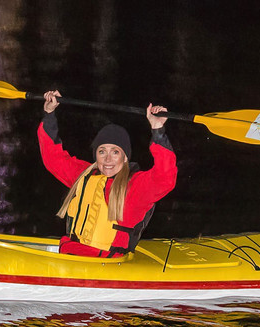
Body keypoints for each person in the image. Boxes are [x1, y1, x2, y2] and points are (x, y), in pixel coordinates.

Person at [37, 90, 178, 258]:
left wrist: (158, 131)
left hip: (106, 265)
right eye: (102, 151)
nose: (108, 159)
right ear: (96, 155)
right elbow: (53, 158)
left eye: (115, 152)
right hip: (71, 254)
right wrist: (49, 113)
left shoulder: (135, 186)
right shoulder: (85, 175)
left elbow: (165, 177)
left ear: (125, 157)